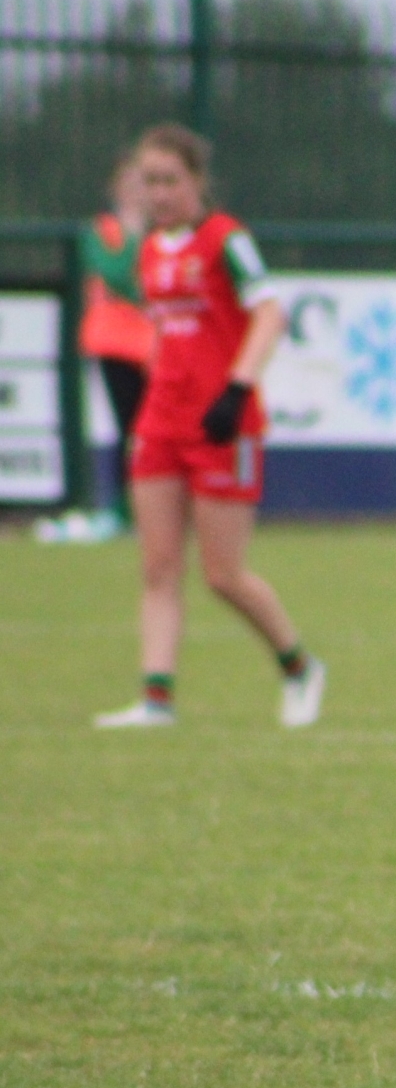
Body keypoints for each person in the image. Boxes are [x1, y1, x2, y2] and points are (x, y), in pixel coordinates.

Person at [92, 124, 325, 731]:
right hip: (161, 422)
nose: (160, 193)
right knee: (158, 567)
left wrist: (235, 388)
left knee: (222, 574)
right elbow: (169, 333)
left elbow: (269, 315)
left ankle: (300, 667)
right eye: (150, 182)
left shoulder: (227, 240)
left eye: (171, 180)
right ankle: (156, 699)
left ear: (197, 182)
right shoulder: (147, 251)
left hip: (224, 423)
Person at [38, 154, 154, 545]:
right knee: (130, 426)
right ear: (116, 190)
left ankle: (152, 509)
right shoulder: (102, 231)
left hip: (154, 345)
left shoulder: (161, 233)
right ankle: (123, 509)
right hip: (115, 342)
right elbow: (117, 272)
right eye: (133, 185)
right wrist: (136, 240)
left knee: (152, 430)